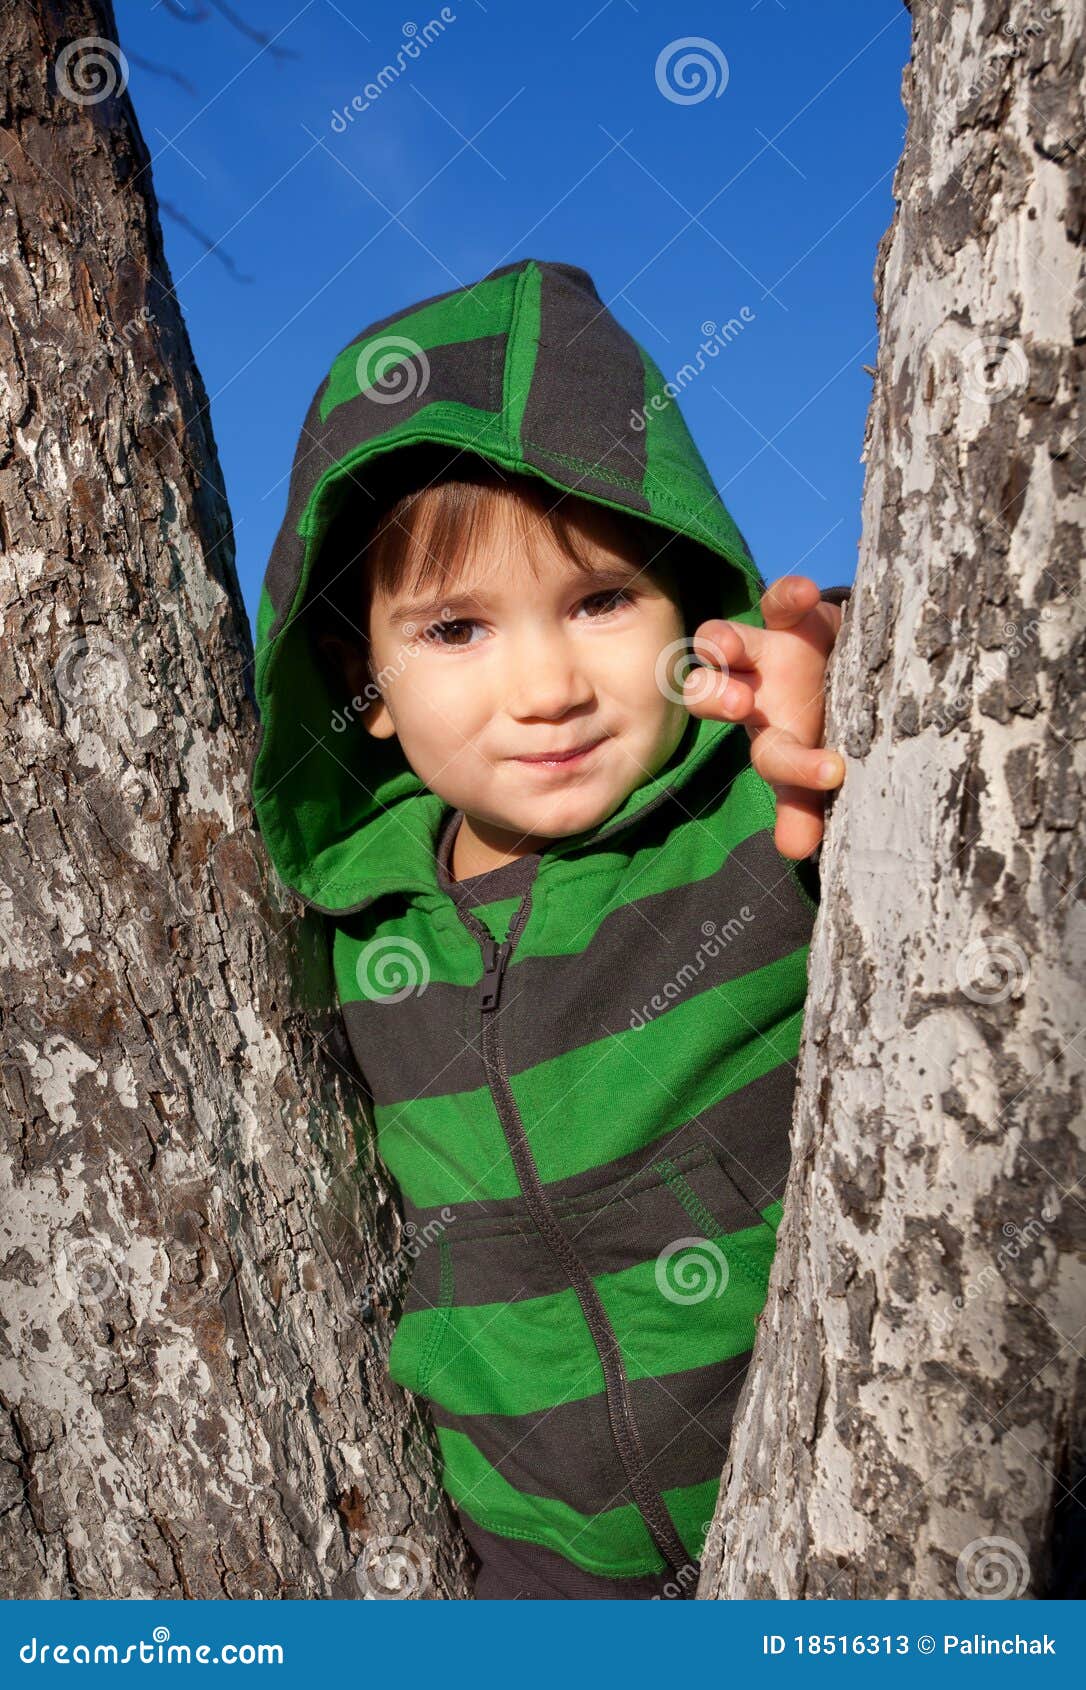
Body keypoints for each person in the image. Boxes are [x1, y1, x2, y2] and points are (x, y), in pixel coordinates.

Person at [250, 258, 850, 1599]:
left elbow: (939, 712)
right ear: (368, 689)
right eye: (457, 628)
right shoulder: (351, 928)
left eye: (599, 602)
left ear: (690, 601)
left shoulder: (762, 810)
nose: (544, 688)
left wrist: (840, 674)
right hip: (539, 1594)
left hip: (839, 1525)